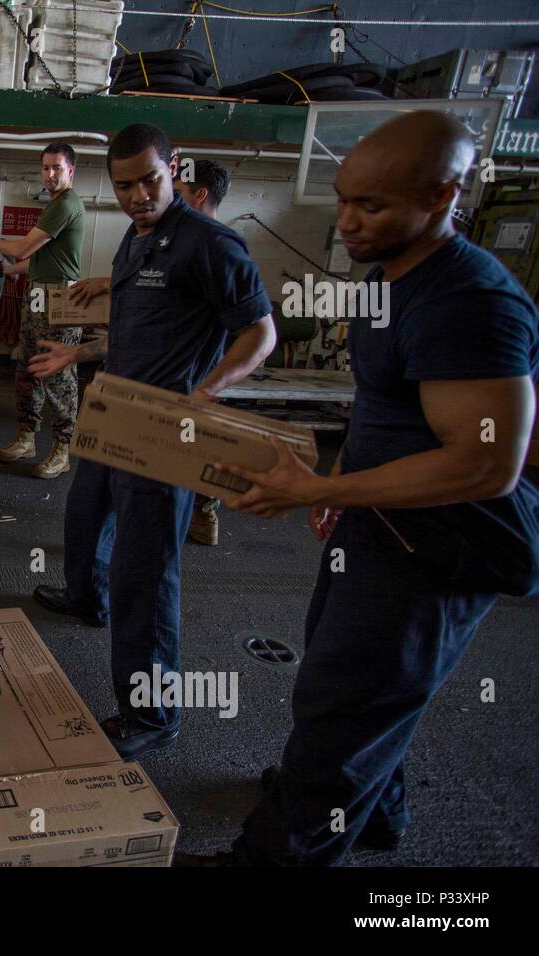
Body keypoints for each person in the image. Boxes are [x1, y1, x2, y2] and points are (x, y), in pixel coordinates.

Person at [180, 111, 538, 867]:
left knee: (347, 707)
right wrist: (340, 487)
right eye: (344, 200)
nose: (347, 222)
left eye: (370, 207)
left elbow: (484, 462)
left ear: (442, 196)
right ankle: (372, 809)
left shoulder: (470, 302)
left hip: (436, 549)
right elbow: (389, 413)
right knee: (350, 687)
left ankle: (286, 848)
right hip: (378, 524)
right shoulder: (391, 280)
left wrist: (313, 491)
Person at [26, 123, 276, 758]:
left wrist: (205, 394)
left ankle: (152, 711)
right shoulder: (134, 246)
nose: (139, 194)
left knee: (147, 568)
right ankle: (87, 599)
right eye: (125, 185)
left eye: (151, 180)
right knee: (84, 515)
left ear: (175, 168)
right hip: (116, 406)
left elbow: (260, 334)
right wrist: (78, 351)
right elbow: (135, 329)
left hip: (168, 427)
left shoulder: (213, 245)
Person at [0, 143, 86, 479]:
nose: (50, 174)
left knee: (56, 373)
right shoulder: (54, 206)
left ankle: (62, 449)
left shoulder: (66, 203)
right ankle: (26, 438)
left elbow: (23, 248)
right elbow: (36, 262)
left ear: (71, 170)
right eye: (45, 168)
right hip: (39, 295)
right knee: (26, 367)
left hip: (59, 300)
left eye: (57, 167)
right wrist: (4, 271)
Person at [174, 158, 233, 547]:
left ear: (200, 195)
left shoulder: (218, 247)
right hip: (179, 372)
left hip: (196, 375)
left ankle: (201, 512)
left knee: (188, 451)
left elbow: (260, 333)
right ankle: (199, 513)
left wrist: (211, 384)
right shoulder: (183, 241)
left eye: (179, 192)